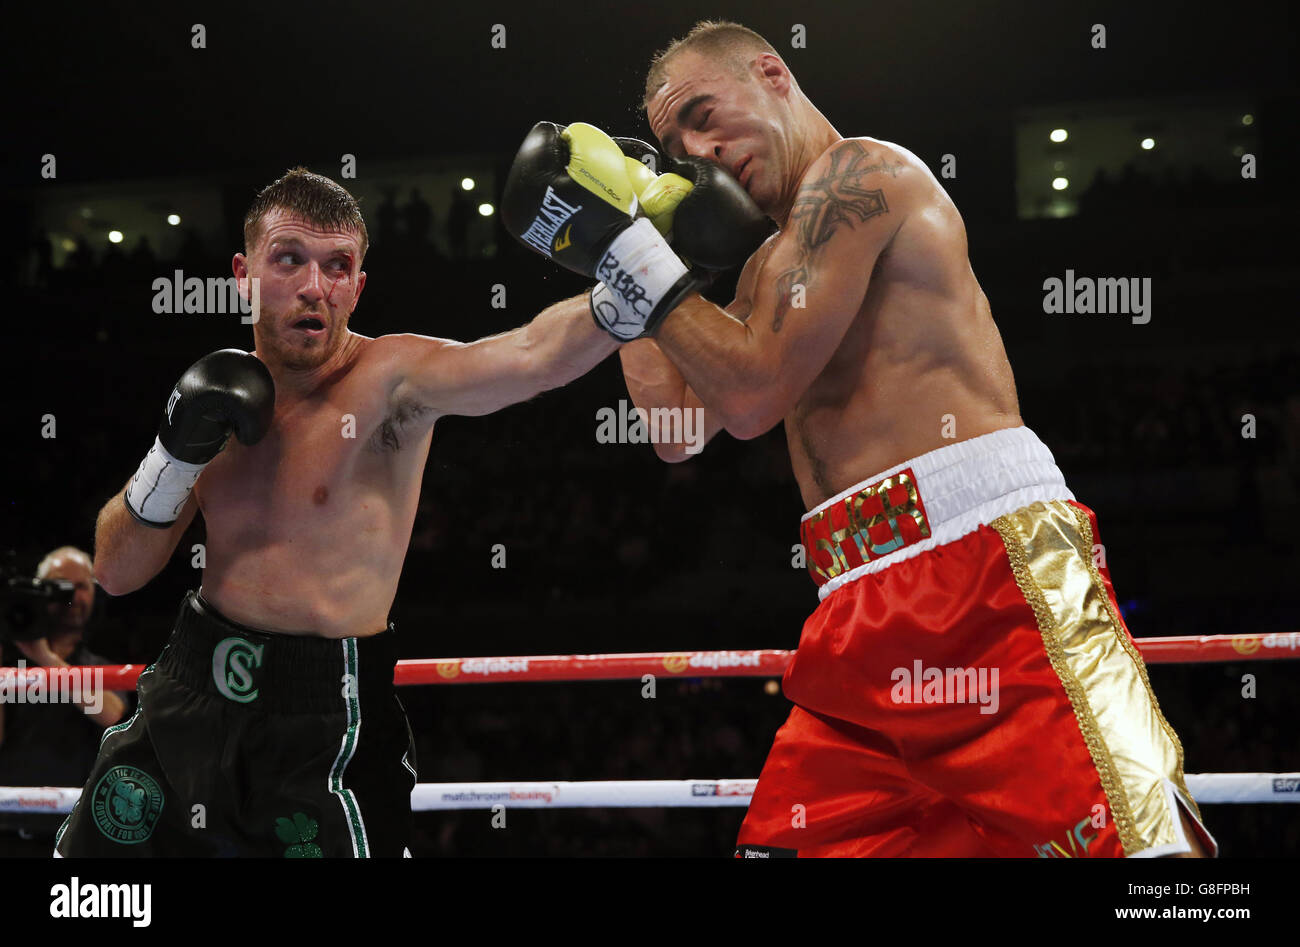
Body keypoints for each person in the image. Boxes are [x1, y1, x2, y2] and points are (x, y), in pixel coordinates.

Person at [504, 20, 1215, 857]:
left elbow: (752, 391)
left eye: (703, 112)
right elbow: (675, 429)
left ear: (771, 72)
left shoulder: (863, 176)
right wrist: (629, 249)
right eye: (675, 142)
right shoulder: (769, 264)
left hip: (988, 572)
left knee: (1146, 862)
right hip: (856, 609)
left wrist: (633, 255)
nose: (698, 148)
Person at [54, 168, 620, 857]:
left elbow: (531, 354)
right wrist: (172, 457)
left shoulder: (392, 380)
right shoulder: (216, 396)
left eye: (337, 266)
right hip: (190, 687)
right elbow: (114, 571)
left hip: (327, 715)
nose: (314, 287)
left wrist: (634, 282)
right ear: (244, 273)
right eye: (289, 259)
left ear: (358, 286)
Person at [0, 547, 129, 854]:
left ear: (95, 595)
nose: (71, 595)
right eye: (60, 586)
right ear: (37, 593)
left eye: (81, 586)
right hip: (5, 830)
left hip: (74, 838)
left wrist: (45, 657)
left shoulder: (99, 667)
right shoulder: (7, 664)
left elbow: (112, 715)